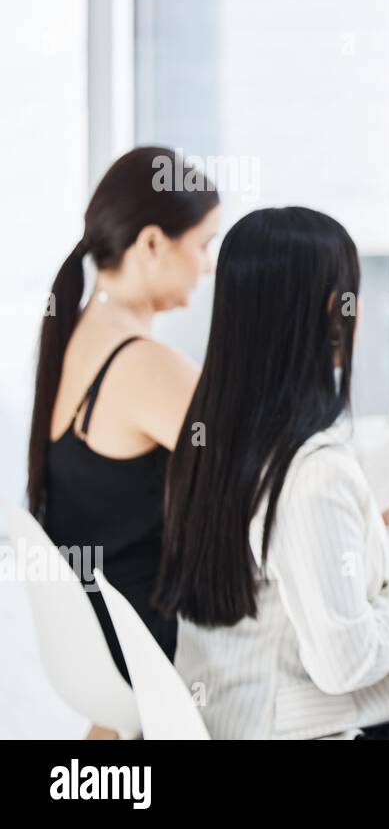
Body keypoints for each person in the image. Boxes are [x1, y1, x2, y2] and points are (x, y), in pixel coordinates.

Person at [155, 206, 389, 739]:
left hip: (230, 721)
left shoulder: (218, 436)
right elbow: (347, 661)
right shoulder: (312, 469)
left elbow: (315, 507)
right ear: (333, 312)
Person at [27, 147, 221, 683]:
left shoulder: (78, 338)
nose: (209, 264)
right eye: (204, 245)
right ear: (153, 243)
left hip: (101, 640)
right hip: (149, 649)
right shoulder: (142, 365)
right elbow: (274, 484)